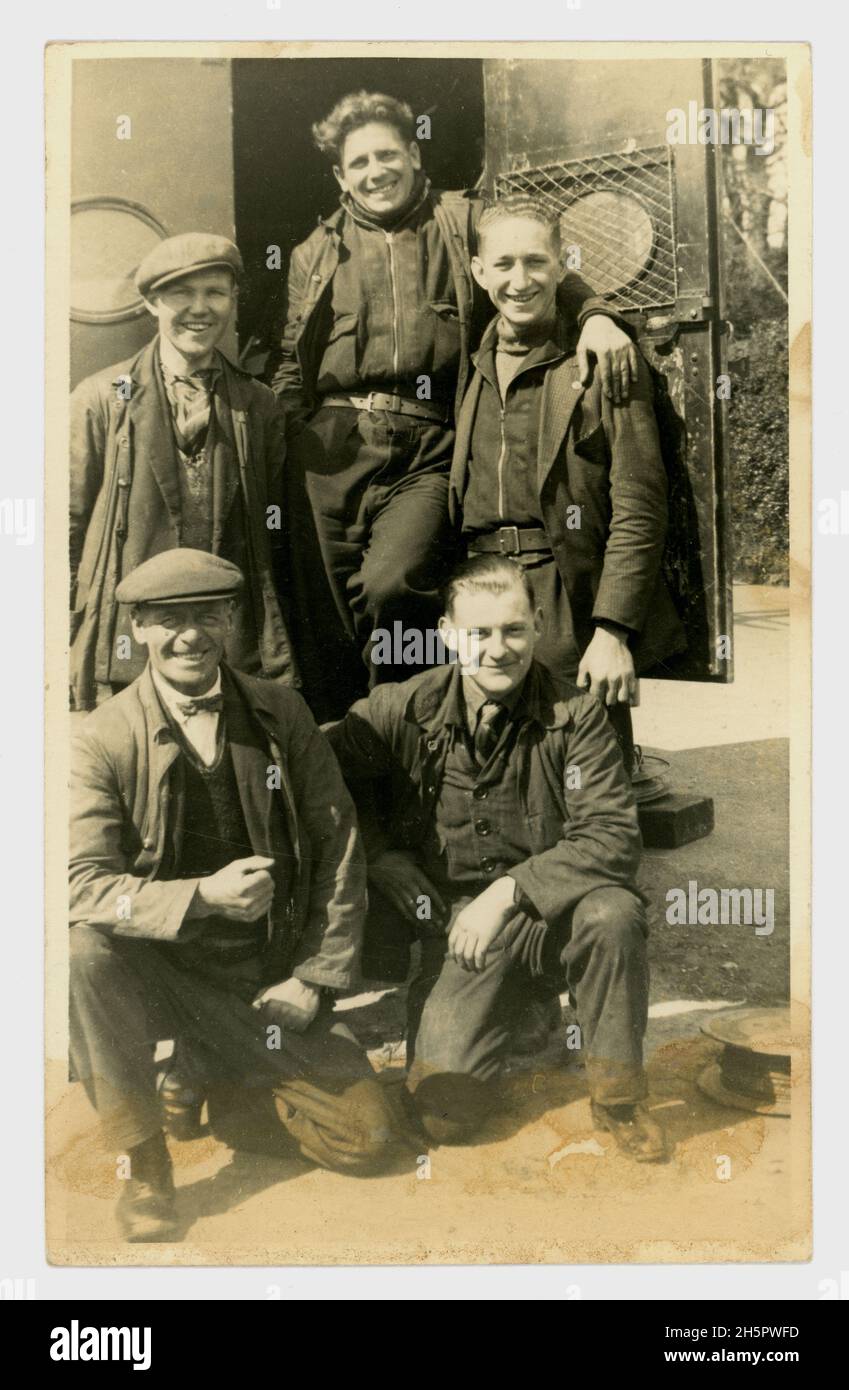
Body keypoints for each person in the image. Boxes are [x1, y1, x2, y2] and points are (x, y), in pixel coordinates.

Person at [69, 549, 406, 1242]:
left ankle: (208, 1075)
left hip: (265, 981)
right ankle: (143, 1162)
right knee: (87, 953)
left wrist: (314, 978)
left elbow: (338, 847)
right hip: (162, 977)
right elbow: (84, 888)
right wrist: (200, 899)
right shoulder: (103, 738)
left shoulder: (281, 713)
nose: (190, 635)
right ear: (137, 628)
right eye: (169, 620)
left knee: (370, 1139)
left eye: (208, 616)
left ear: (232, 620)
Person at [271, 90, 639, 720]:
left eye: (388, 154)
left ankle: (407, 733)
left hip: (425, 447)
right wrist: (284, 431)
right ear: (340, 175)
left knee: (394, 585)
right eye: (358, 163)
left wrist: (598, 314)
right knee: (323, 611)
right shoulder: (313, 254)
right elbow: (288, 356)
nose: (375, 172)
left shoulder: (459, 221)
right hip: (328, 449)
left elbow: (532, 261)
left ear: (414, 154)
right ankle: (346, 760)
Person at [326, 554, 667, 1163]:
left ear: (537, 626)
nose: (498, 649)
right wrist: (378, 853)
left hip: (544, 918)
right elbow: (322, 781)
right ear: (448, 635)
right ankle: (510, 1009)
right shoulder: (402, 708)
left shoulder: (576, 715)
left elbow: (613, 836)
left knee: (612, 914)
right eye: (478, 633)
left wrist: (505, 893)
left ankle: (617, 1099)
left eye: (513, 630)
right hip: (458, 932)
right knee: (444, 1118)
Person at [449, 194, 687, 775]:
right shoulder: (469, 360)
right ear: (479, 273)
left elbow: (640, 503)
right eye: (502, 265)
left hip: (566, 594)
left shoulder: (605, 360)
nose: (520, 280)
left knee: (579, 787)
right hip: (483, 587)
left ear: (562, 266)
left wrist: (613, 631)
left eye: (536, 262)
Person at [70, 233, 294, 712]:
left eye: (214, 292)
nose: (200, 309)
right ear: (152, 302)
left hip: (227, 646)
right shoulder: (101, 400)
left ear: (234, 300)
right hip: (129, 643)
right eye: (180, 294)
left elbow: (272, 529)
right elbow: (68, 526)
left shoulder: (259, 406)